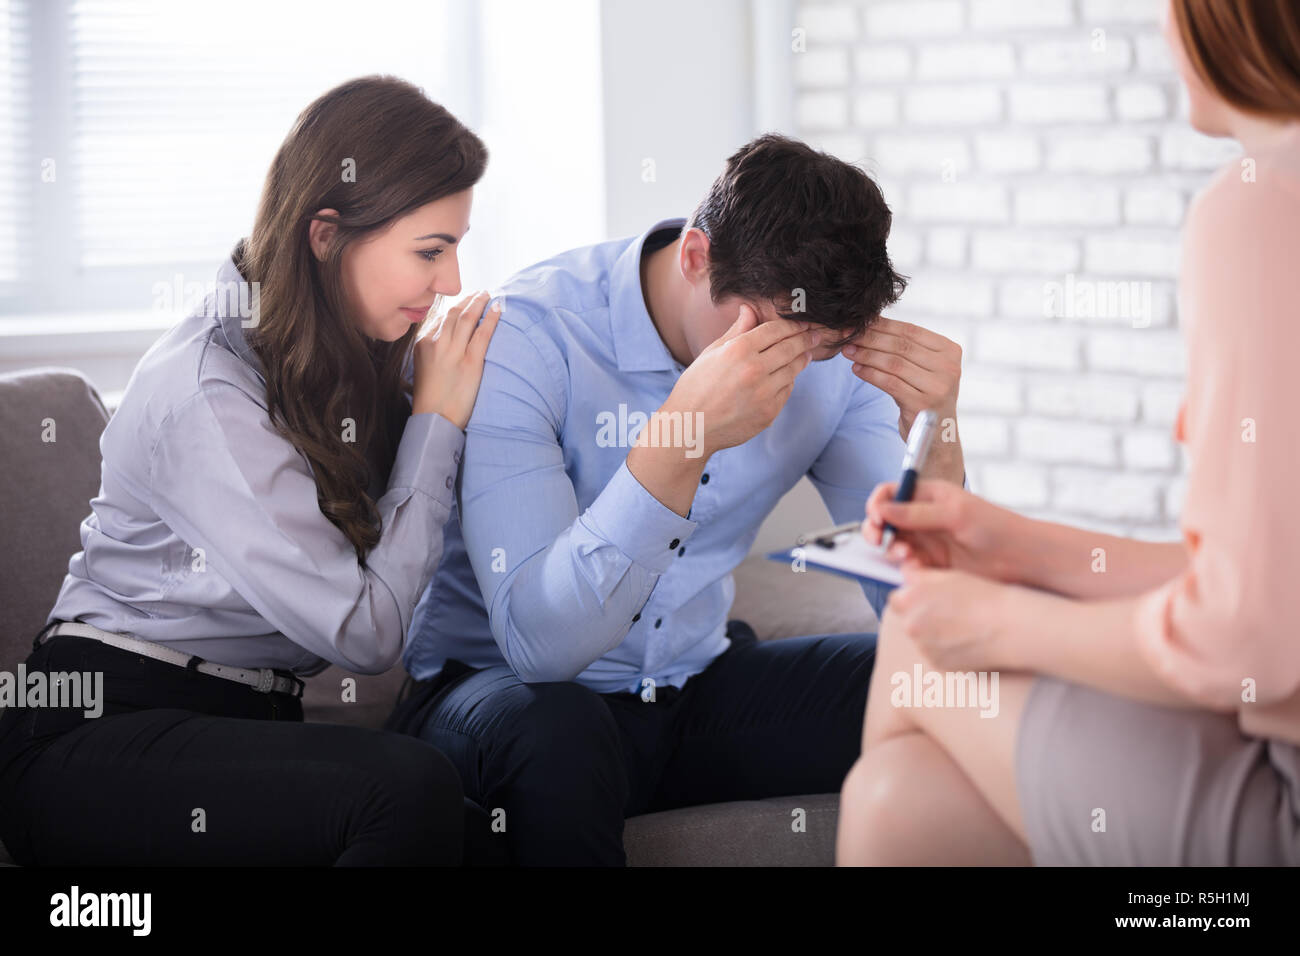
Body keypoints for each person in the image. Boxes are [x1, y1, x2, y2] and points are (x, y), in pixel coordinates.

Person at [385, 133, 969, 865]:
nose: (792, 368)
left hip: (690, 690)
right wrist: (679, 443)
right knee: (559, 735)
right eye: (771, 336)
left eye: (817, 348)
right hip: (501, 695)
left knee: (951, 692)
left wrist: (937, 440)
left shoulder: (831, 357)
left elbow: (929, 614)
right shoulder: (530, 337)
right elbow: (540, 648)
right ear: (697, 258)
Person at [837, 0, 1300, 866]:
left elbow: (1246, 637)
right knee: (898, 803)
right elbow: (1272, 593)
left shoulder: (1263, 206)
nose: (1167, 33)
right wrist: (1015, 546)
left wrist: (997, 624)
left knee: (914, 632)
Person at [0, 75, 501, 865]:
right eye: (431, 251)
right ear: (327, 234)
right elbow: (364, 632)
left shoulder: (344, 353)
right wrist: (437, 425)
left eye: (458, 247)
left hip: (243, 721)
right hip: (99, 730)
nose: (453, 284)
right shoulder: (207, 389)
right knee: (406, 794)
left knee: (476, 832)